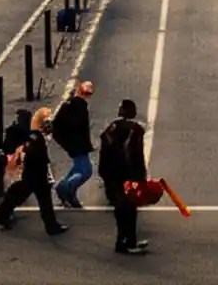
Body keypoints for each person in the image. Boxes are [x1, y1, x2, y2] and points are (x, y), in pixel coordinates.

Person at [0, 107, 69, 237]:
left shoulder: (35, 135)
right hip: (36, 174)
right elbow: (31, 151)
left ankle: (2, 215)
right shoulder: (35, 136)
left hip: (33, 173)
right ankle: (51, 226)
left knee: (21, 194)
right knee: (39, 200)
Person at [99, 99, 147, 255]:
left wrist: (104, 175)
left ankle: (126, 241)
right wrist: (141, 177)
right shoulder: (136, 131)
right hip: (128, 175)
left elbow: (103, 154)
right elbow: (137, 157)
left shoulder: (109, 129)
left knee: (120, 210)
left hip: (112, 175)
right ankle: (125, 242)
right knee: (129, 210)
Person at [53, 81, 95, 208]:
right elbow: (79, 127)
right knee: (85, 171)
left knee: (78, 169)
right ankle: (65, 189)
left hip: (71, 144)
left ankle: (66, 190)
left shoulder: (68, 105)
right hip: (78, 145)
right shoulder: (80, 106)